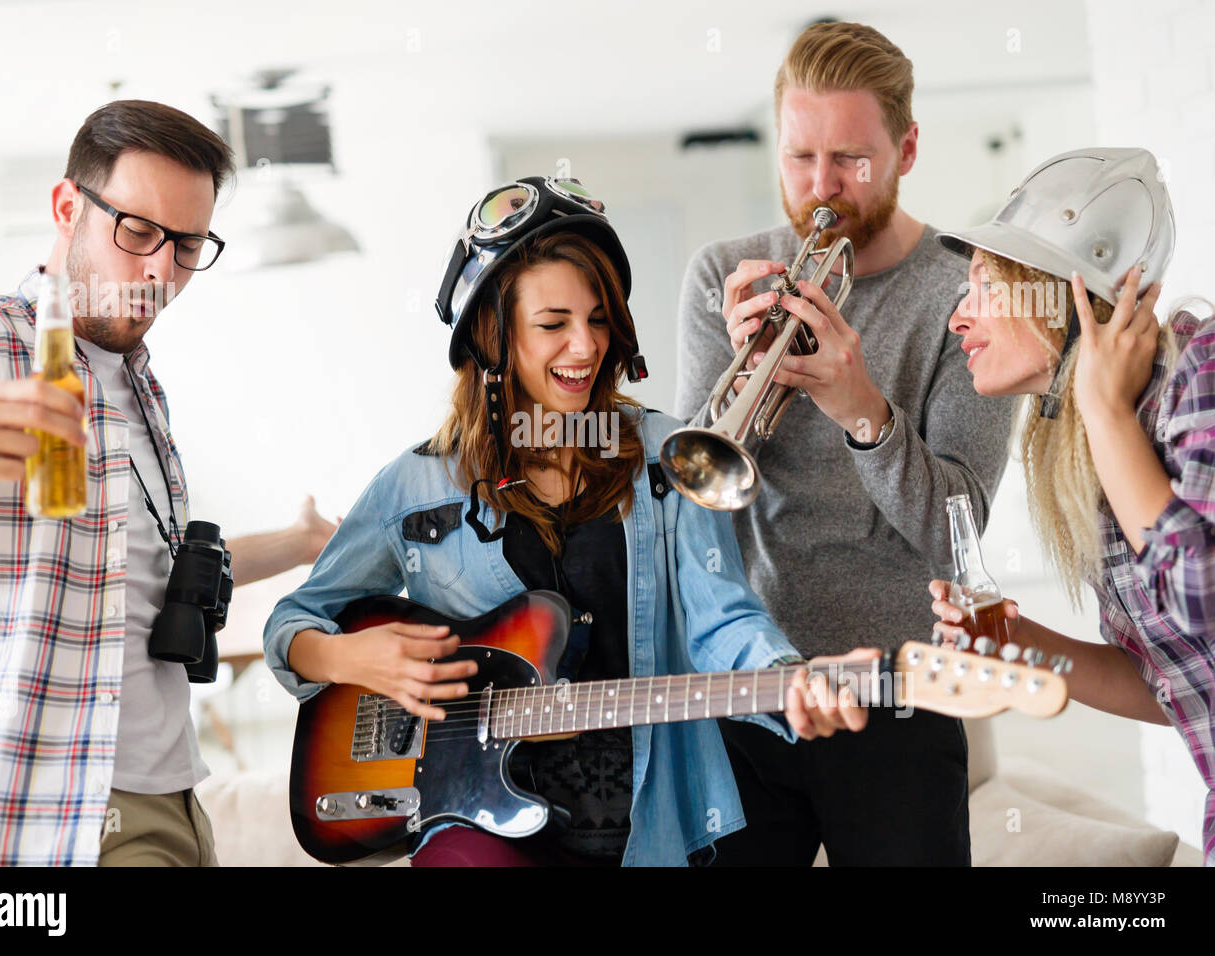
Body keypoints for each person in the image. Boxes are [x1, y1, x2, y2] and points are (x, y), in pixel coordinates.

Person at [264, 175, 879, 867]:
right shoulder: (414, 482)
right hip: (471, 825)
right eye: (553, 325)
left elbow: (723, 620)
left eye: (596, 319)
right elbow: (293, 622)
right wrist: (348, 655)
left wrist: (787, 676)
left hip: (642, 829)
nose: (585, 347)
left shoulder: (667, 455)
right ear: (494, 336)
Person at [0, 100, 338, 866]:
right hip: (50, 815)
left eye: (187, 246)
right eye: (137, 233)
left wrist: (299, 542)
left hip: (173, 793)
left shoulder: (143, 388)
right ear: (66, 206)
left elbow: (144, 575)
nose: (158, 271)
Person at [673, 21, 1015, 865]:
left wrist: (863, 409)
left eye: (852, 160)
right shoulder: (727, 275)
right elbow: (690, 509)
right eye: (799, 158)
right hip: (748, 693)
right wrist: (742, 360)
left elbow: (954, 533)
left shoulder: (961, 290)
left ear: (905, 147)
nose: (822, 187)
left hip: (900, 694)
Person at [929, 146, 1215, 866]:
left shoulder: (1200, 375)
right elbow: (1173, 684)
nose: (958, 319)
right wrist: (1019, 645)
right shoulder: (1089, 445)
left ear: (1064, 291)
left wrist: (1105, 412)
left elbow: (1204, 597)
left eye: (985, 286)